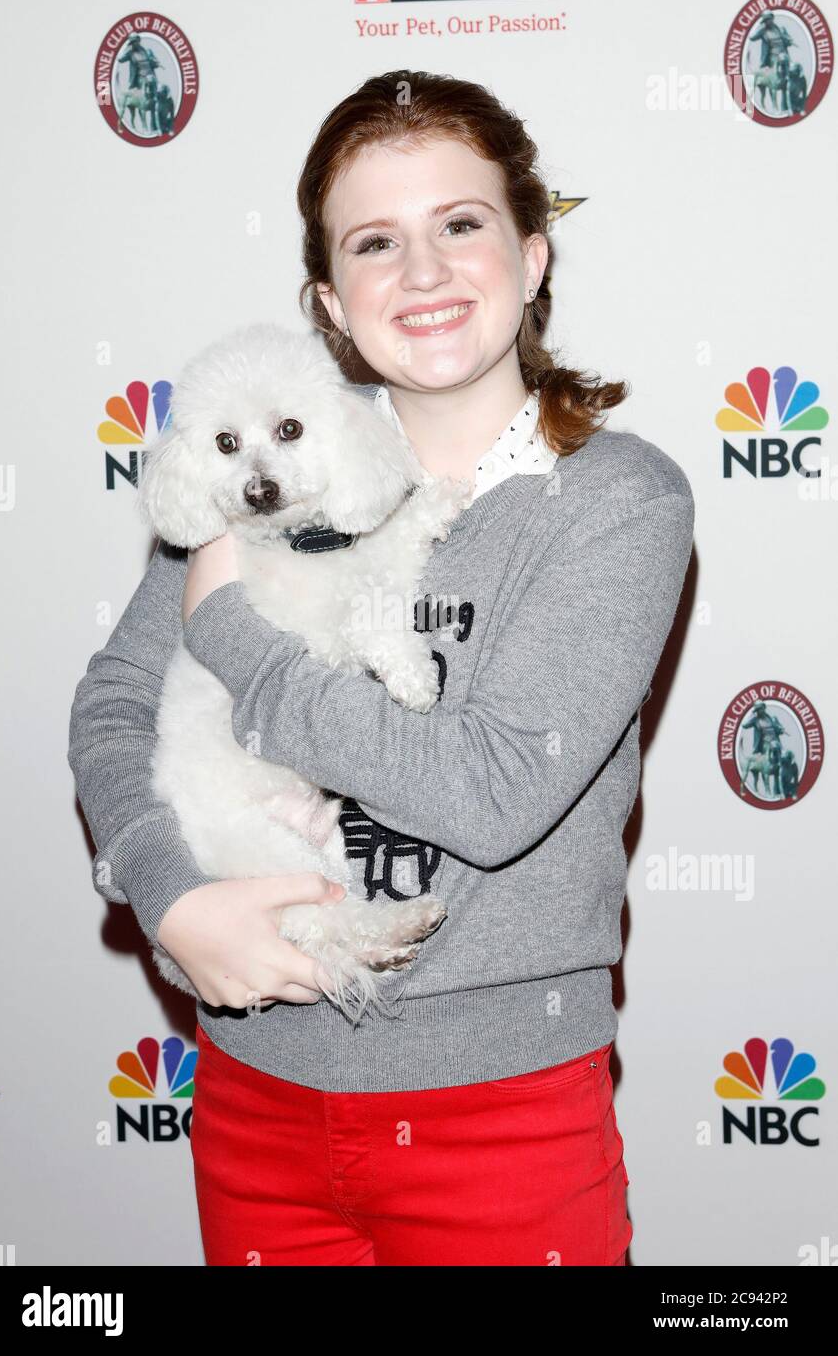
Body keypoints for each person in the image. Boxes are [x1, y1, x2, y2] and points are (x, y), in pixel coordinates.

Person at [68, 69, 695, 1266]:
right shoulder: (256, 476)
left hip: (503, 1117)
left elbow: (492, 794)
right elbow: (113, 708)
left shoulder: (616, 501)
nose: (420, 273)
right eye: (374, 242)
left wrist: (237, 639)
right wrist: (171, 894)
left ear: (532, 251)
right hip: (258, 1098)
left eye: (458, 224)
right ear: (329, 300)